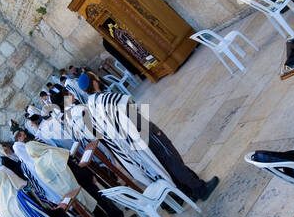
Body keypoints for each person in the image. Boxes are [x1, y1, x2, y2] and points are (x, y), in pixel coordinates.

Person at [65, 80, 219, 203]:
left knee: (164, 165)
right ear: (95, 82)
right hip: (142, 134)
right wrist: (152, 129)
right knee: (171, 159)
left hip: (131, 144)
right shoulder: (108, 98)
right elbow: (135, 114)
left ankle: (187, 190)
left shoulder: (91, 105)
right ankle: (200, 189)